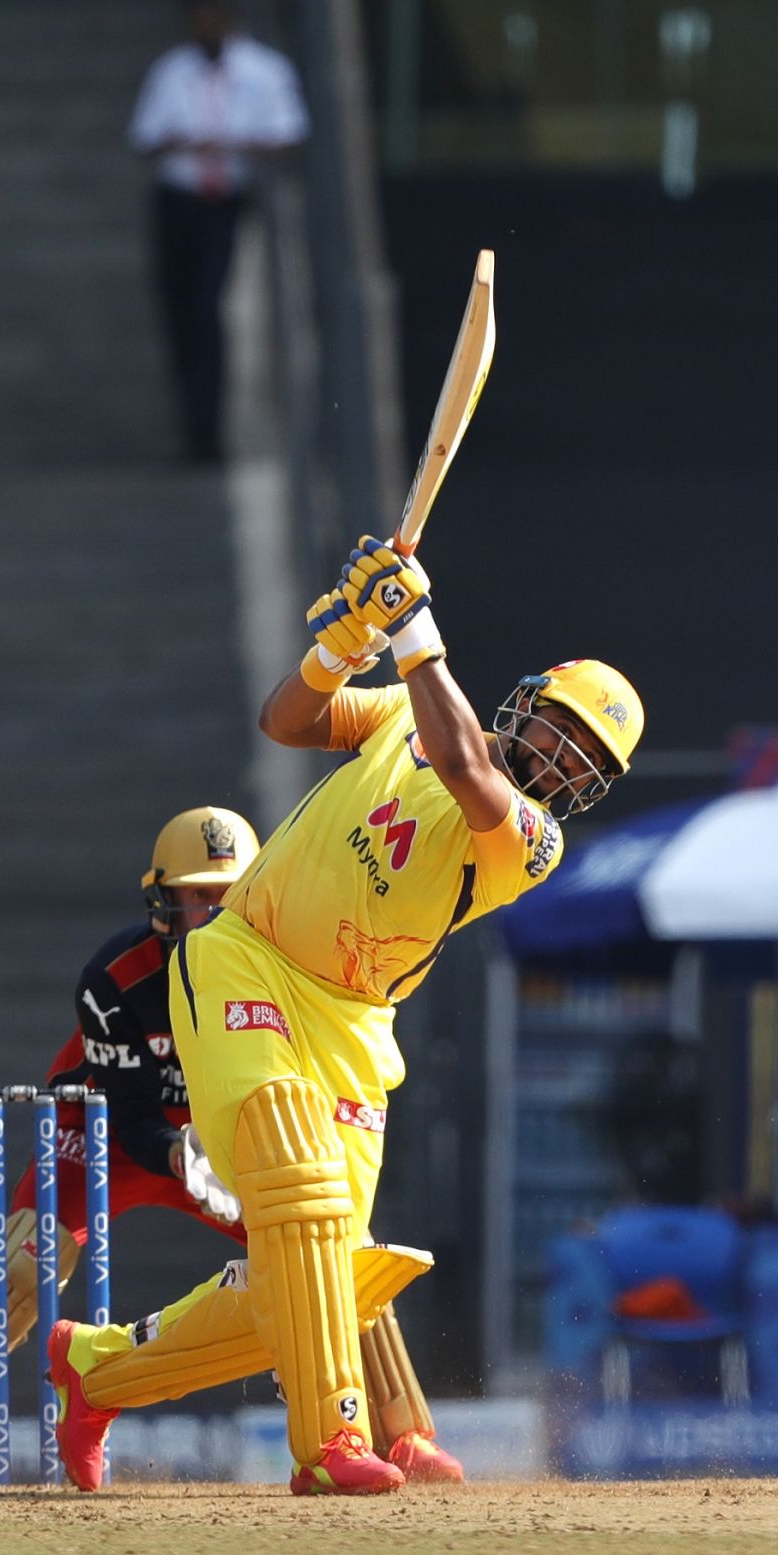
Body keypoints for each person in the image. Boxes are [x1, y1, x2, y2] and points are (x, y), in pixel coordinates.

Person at [48, 536, 644, 1495]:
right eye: (562, 731)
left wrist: (412, 628)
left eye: (587, 760)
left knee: (321, 1267)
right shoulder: (407, 712)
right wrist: (346, 640)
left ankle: (99, 1369)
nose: (563, 761)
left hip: (355, 1023)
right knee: (298, 1186)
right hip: (248, 956)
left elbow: (461, 763)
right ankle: (330, 1443)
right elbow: (287, 718)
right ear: (527, 703)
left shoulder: (532, 839)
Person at [0, 801, 454, 1488]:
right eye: (194, 897)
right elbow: (131, 1112)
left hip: (237, 1134)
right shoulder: (117, 979)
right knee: (20, 1263)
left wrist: (234, 1153)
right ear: (162, 901)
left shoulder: (292, 966)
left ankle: (403, 1435)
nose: (210, 914)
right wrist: (177, 1153)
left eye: (225, 896)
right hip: (108, 1134)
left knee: (330, 1243)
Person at [129, 0, 309, 468]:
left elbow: (289, 139)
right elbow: (145, 140)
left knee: (209, 311)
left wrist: (227, 144)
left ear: (230, 15)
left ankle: (210, 430)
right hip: (178, 201)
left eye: (213, 14)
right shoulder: (170, 71)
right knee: (181, 312)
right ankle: (194, 425)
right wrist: (186, 143)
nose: (204, 24)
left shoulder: (263, 71)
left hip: (226, 201)